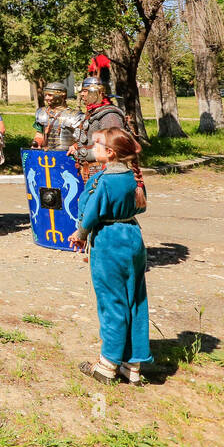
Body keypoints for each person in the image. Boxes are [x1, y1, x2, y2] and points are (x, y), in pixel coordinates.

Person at [68, 127, 150, 384]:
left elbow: (92, 211)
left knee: (112, 302)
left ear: (110, 152)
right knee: (134, 299)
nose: (93, 148)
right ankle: (132, 365)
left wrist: (80, 234)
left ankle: (108, 363)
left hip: (110, 240)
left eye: (98, 144)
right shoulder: (129, 176)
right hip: (132, 236)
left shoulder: (106, 180)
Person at [70, 76, 126, 183]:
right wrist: (77, 146)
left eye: (85, 91)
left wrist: (81, 153)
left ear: (98, 92)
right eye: (82, 91)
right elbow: (88, 139)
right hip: (89, 170)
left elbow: (114, 149)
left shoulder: (109, 115)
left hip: (105, 172)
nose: (82, 94)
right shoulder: (91, 114)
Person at [32, 81, 81, 150]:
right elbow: (39, 135)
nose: (46, 98)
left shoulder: (75, 115)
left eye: (50, 95)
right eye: (45, 95)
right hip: (46, 155)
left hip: (67, 155)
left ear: (62, 96)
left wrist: (75, 146)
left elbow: (83, 139)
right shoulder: (42, 113)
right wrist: (37, 142)